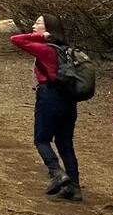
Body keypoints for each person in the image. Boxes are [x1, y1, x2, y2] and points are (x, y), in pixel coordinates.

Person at [11, 14, 81, 201]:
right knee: (65, 144)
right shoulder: (67, 50)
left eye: (38, 24)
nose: (34, 26)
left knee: (41, 139)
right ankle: (74, 189)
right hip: (68, 99)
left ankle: (57, 173)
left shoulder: (46, 49)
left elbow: (16, 39)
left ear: (49, 28)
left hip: (49, 96)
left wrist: (42, 37)